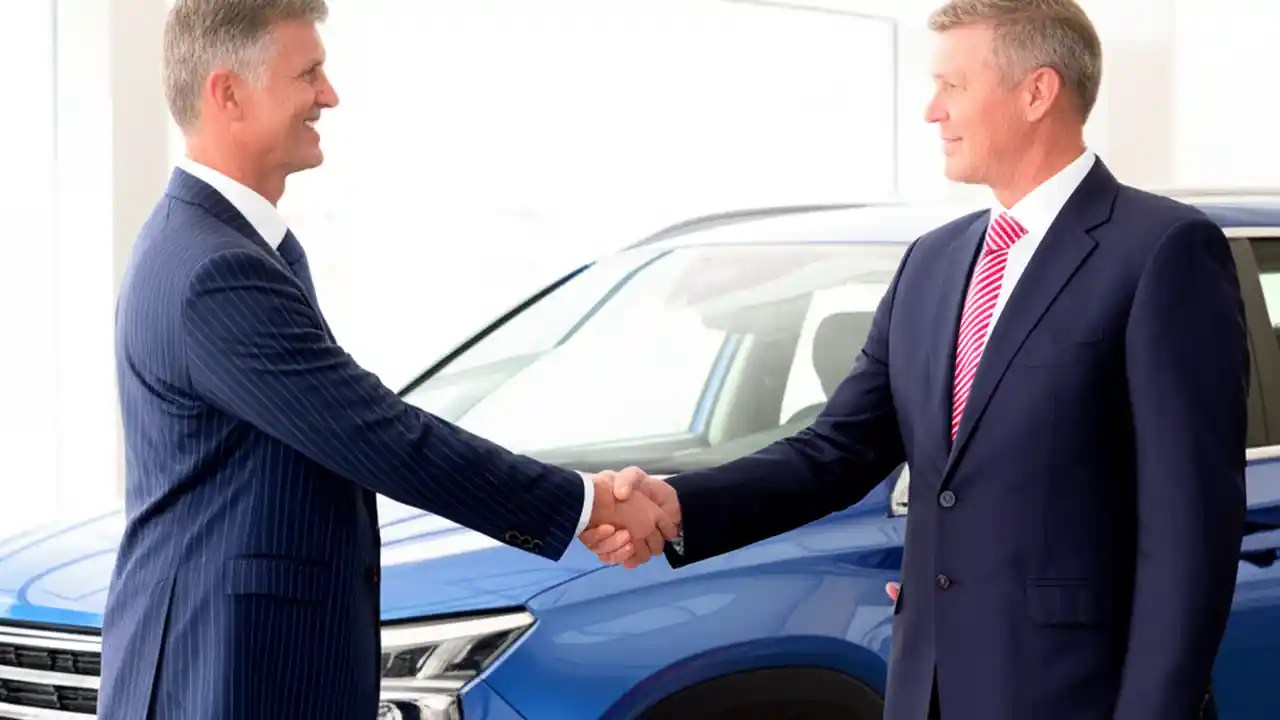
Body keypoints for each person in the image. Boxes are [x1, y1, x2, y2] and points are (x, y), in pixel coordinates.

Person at [582, 1, 1249, 718]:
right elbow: (836, 450)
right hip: (927, 687)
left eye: (953, 85)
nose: (932, 111)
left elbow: (1190, 535)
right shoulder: (932, 262)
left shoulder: (1162, 250)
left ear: (1037, 91)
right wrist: (678, 506)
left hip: (1076, 693)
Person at [99, 1, 674, 718]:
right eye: (309, 73)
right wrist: (583, 504)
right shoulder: (214, 270)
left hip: (238, 662)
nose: (329, 95)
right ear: (228, 93)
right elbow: (376, 435)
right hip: (226, 672)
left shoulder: (223, 247)